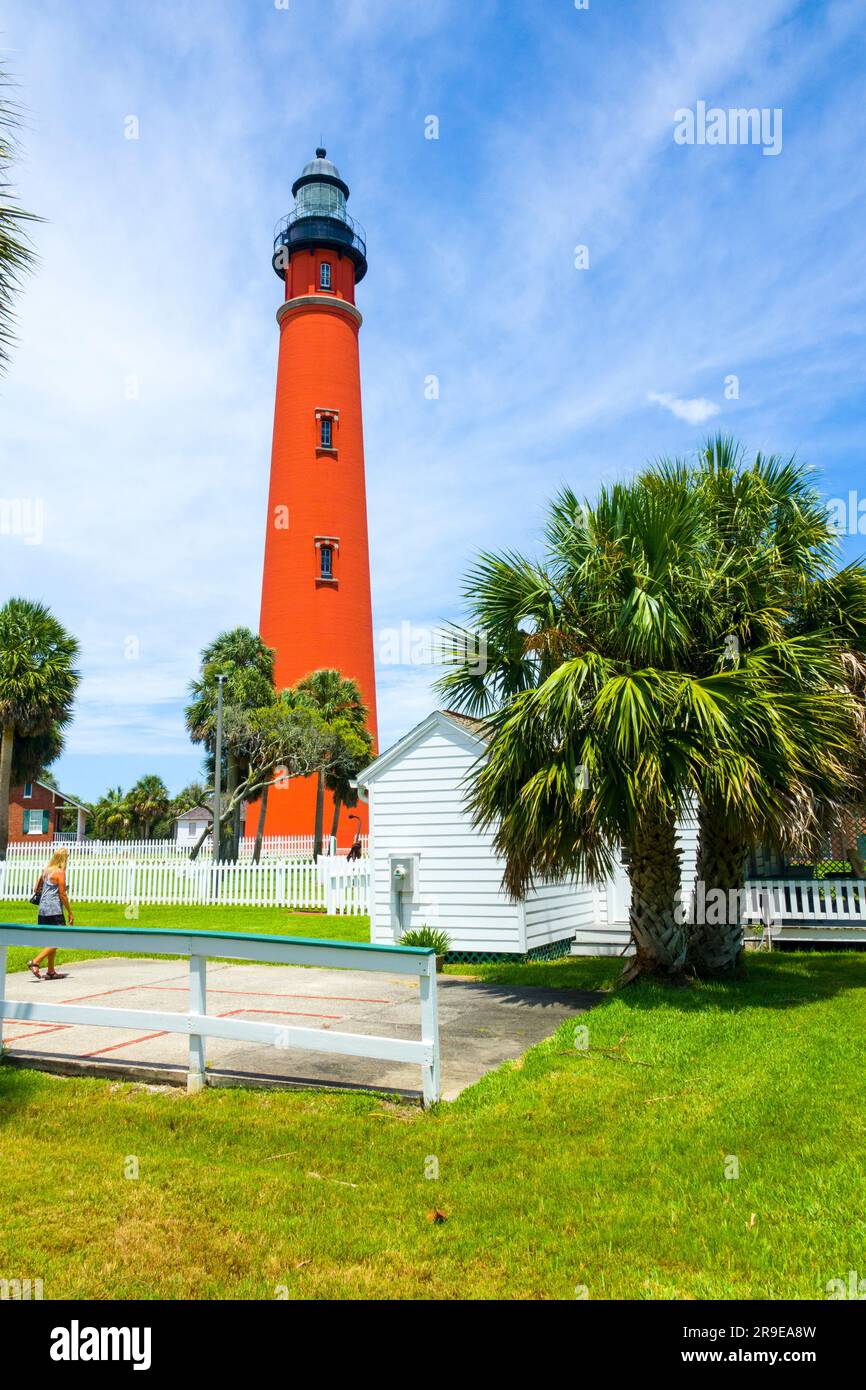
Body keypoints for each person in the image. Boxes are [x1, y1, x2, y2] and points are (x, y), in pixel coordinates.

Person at [27, 847, 73, 981]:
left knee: (50, 940)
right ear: (64, 859)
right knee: (60, 938)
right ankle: (35, 961)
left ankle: (51, 971)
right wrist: (70, 912)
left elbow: (36, 889)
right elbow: (63, 894)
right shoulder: (60, 872)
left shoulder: (46, 871)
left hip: (42, 910)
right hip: (54, 910)